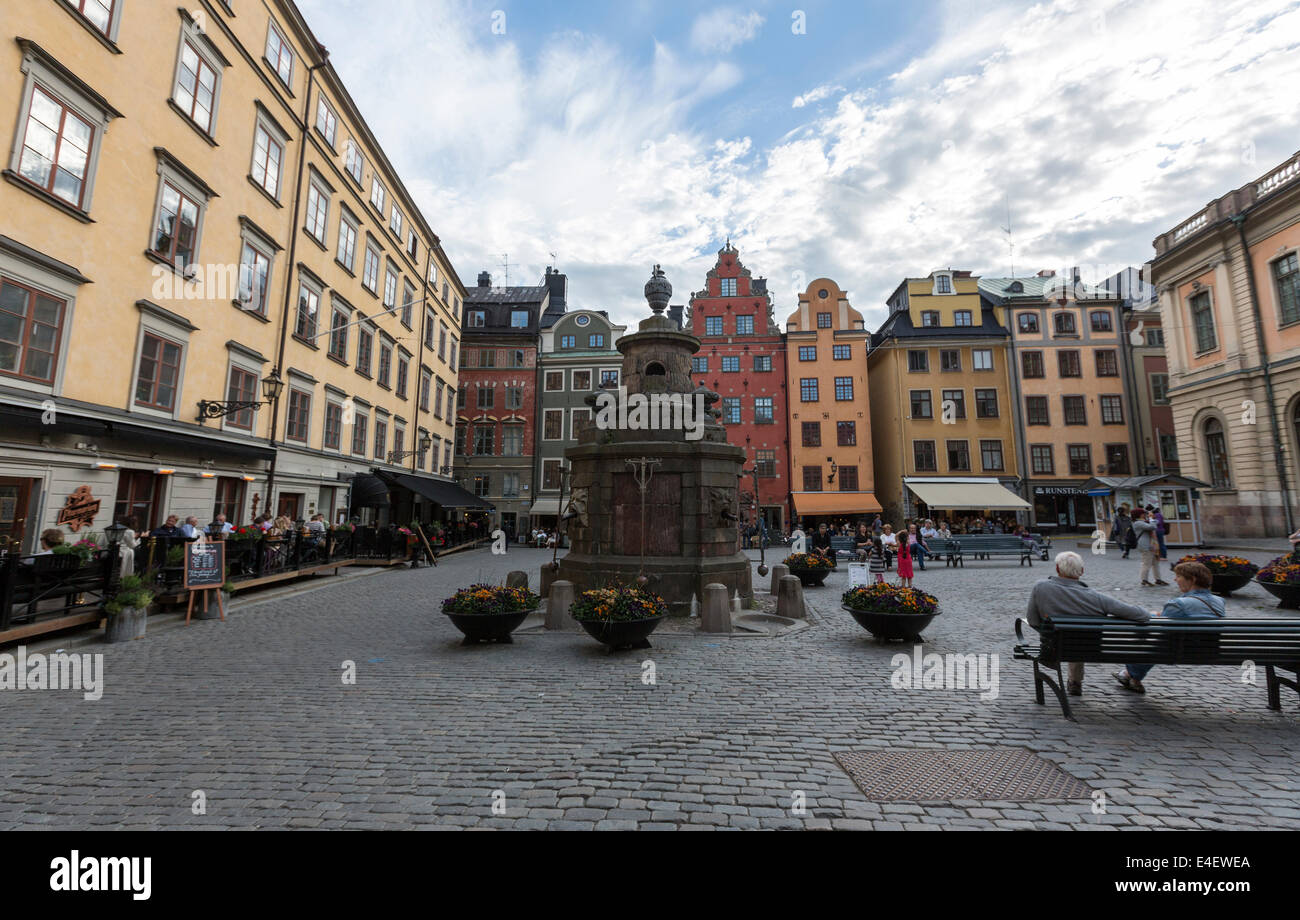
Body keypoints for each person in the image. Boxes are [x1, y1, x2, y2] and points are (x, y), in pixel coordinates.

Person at [1027, 551, 1151, 695]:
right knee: (1079, 637)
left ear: (1057, 569)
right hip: (1089, 648)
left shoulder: (1040, 587)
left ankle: (1074, 680)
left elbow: (1032, 620)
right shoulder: (1095, 597)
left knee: (1066, 636)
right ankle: (1075, 681)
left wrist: (1047, 633)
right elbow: (1141, 615)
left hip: (1052, 648)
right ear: (1082, 571)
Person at [1115, 561, 1225, 694]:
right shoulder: (1219, 601)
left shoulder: (1178, 603)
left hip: (1179, 651)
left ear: (1192, 580)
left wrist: (1149, 615)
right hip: (1209, 650)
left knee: (1150, 639)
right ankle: (1130, 676)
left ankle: (1131, 675)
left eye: (1178, 576)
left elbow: (1157, 629)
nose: (1175, 579)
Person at [1133, 509, 1166, 586]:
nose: (1145, 514)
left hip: (1152, 545)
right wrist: (1151, 519)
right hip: (1145, 546)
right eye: (1143, 513)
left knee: (1155, 563)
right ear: (1139, 514)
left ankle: (1158, 579)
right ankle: (1144, 580)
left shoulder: (1145, 521)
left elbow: (1157, 522)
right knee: (1146, 563)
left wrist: (1152, 517)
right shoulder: (1137, 523)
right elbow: (1152, 527)